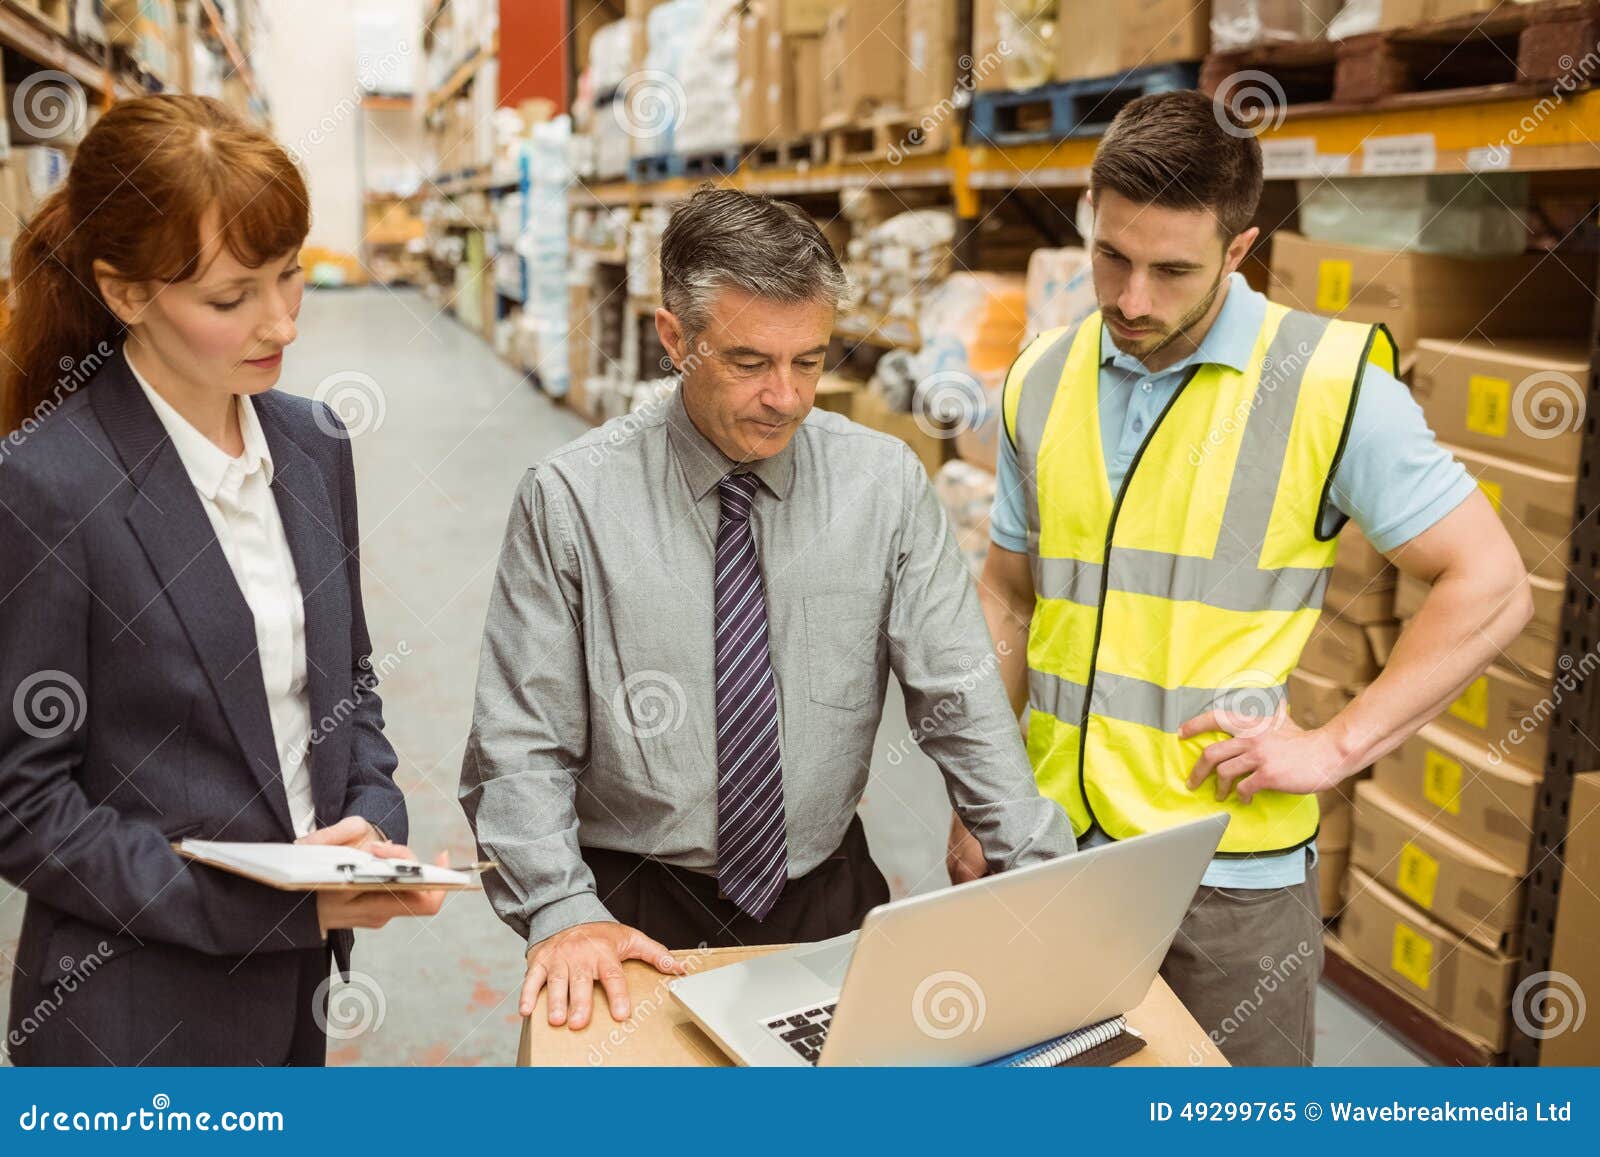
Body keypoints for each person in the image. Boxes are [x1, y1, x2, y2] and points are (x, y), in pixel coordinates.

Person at [948, 90, 1534, 1065]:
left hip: (1223, 877)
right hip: (1048, 845)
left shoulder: (1327, 381)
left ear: (1238, 249)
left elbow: (1491, 583)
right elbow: (1009, 591)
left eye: (1172, 269)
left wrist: (1336, 745)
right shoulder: (1042, 374)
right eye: (1111, 256)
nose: (1132, 299)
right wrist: (982, 790)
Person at [461, 187, 1076, 1033]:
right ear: (675, 338)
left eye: (809, 361)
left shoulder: (883, 486)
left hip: (824, 896)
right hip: (630, 910)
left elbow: (960, 697)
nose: (785, 397)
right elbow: (518, 743)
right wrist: (560, 908)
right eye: (749, 363)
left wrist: (1043, 876)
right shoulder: (571, 500)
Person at [0, 95, 445, 1067]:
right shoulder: (49, 484)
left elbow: (348, 684)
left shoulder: (312, 442)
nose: (280, 320)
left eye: (288, 274)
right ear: (126, 293)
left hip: (298, 990)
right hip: (132, 1016)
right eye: (231, 297)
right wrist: (268, 902)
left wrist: (373, 822)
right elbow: (24, 806)